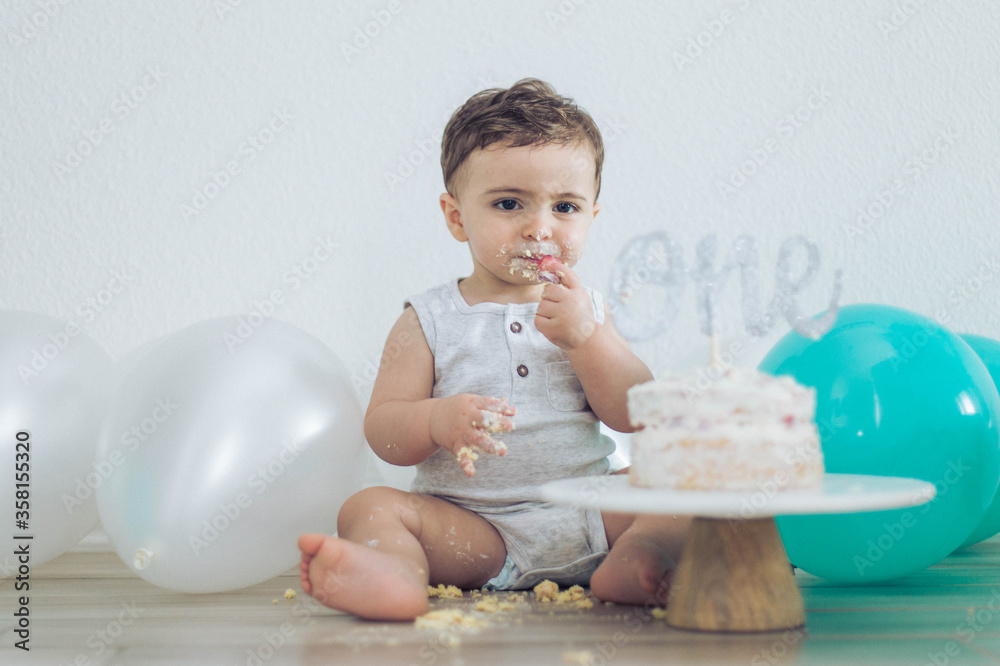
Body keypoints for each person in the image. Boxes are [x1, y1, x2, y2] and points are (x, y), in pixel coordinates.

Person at [298, 78, 690, 620]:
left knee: (685, 481)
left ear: (592, 217)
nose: (539, 228)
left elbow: (633, 414)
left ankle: (637, 560)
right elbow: (384, 434)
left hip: (592, 513)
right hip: (474, 533)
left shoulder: (588, 311)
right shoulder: (427, 320)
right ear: (457, 217)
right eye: (510, 203)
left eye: (566, 207)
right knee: (370, 507)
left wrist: (587, 339)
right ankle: (392, 573)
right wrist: (434, 420)